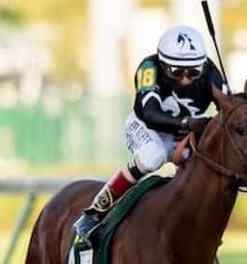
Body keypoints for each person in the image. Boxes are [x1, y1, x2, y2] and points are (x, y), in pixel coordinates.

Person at [73, 24, 226, 239]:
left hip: (182, 135)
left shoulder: (210, 71)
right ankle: (96, 211)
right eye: (176, 72)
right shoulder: (149, 68)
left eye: (193, 72)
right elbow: (149, 113)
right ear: (163, 65)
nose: (185, 79)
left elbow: (227, 108)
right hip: (145, 127)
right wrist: (189, 123)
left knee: (209, 162)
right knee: (153, 156)